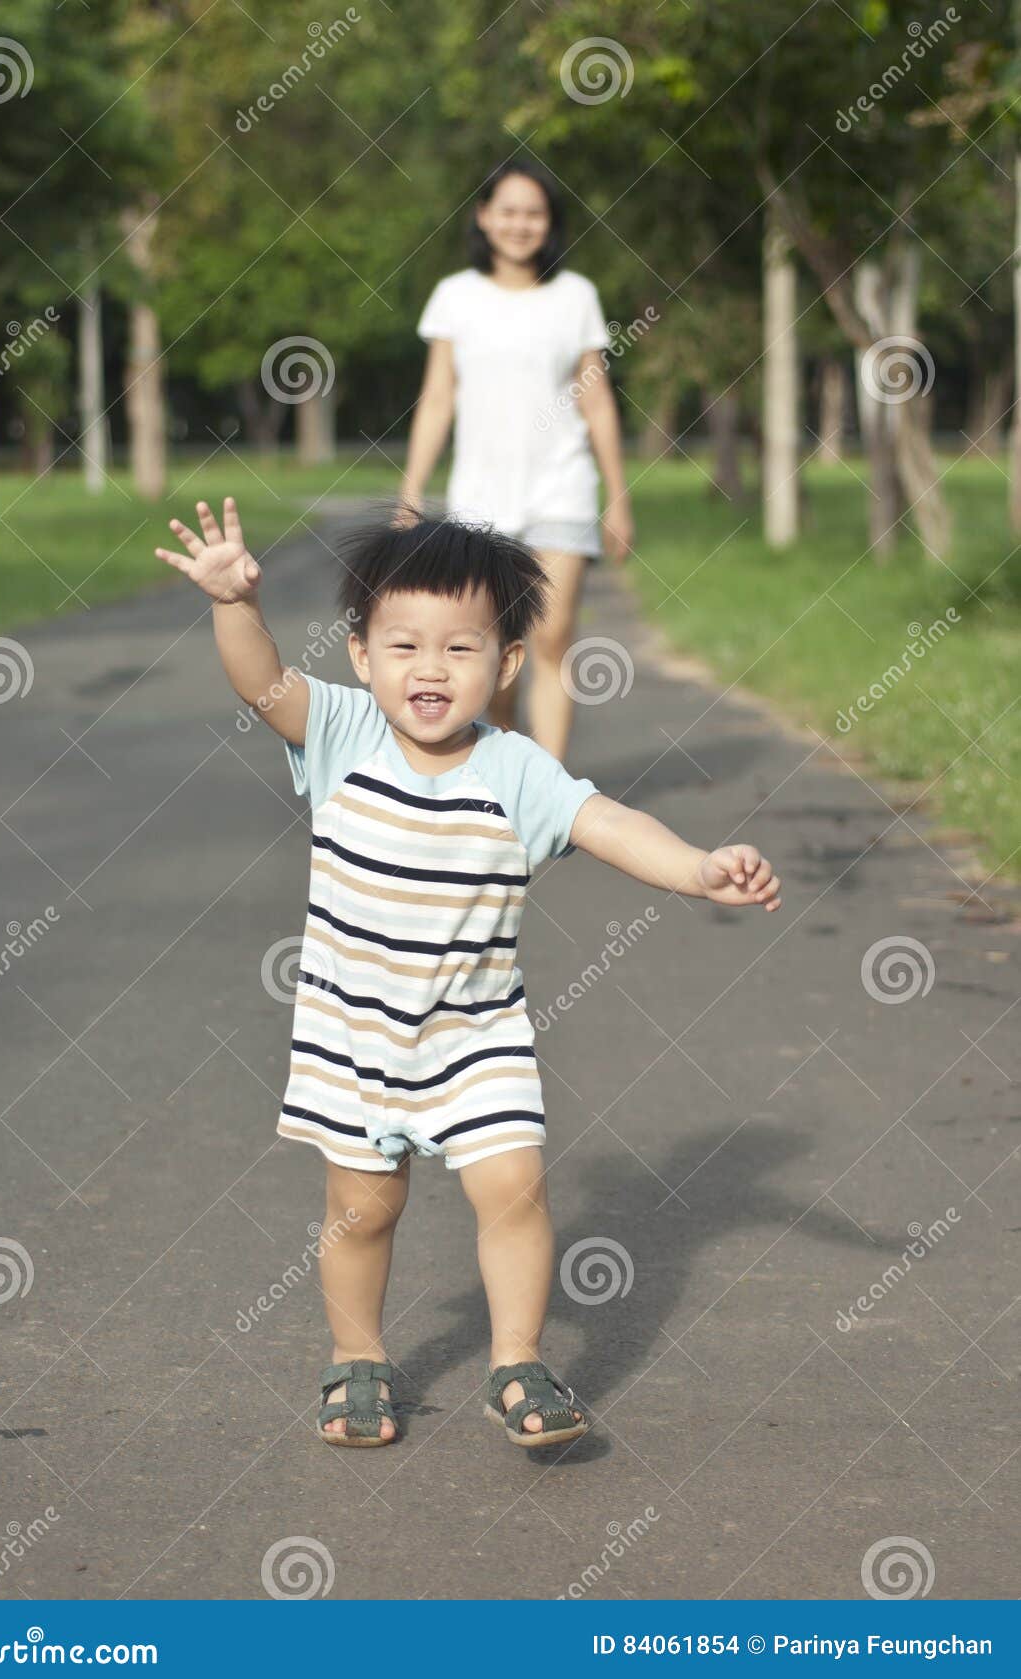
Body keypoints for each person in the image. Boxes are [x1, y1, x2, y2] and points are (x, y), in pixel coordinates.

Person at [155, 497, 781, 1452]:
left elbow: (611, 824)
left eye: (460, 649)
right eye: (403, 647)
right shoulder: (341, 733)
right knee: (361, 1211)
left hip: (477, 1037)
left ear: (508, 665)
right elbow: (261, 685)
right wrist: (234, 603)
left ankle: (515, 1360)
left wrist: (696, 867)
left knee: (513, 1190)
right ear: (362, 655)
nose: (430, 670)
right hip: (354, 1037)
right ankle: (357, 1358)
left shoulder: (517, 769)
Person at [400, 157, 634, 763]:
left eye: (533, 213)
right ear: (483, 217)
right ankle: (507, 769)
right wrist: (411, 491)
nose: (519, 224)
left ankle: (550, 787)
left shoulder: (574, 295)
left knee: (553, 636)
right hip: (481, 497)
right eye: (507, 211)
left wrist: (619, 497)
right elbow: (437, 401)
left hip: (562, 486)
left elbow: (598, 401)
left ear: (549, 223)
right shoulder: (456, 296)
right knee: (493, 647)